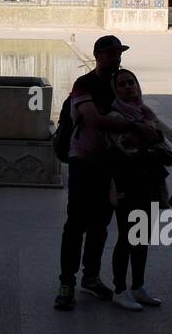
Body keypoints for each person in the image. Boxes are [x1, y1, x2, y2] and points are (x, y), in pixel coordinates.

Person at [55, 35, 150, 310]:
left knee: (100, 223)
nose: (116, 58)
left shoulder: (119, 83)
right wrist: (133, 126)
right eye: (110, 54)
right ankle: (67, 282)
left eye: (118, 53)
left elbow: (140, 110)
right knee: (76, 224)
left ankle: (91, 277)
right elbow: (94, 121)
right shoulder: (84, 84)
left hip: (111, 165)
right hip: (84, 160)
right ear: (97, 56)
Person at [103, 68, 166, 311]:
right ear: (115, 90)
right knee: (127, 236)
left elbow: (159, 138)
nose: (128, 87)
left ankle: (138, 286)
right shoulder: (114, 116)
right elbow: (123, 148)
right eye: (122, 84)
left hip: (148, 181)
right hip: (126, 183)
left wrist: (143, 133)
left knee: (142, 237)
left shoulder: (145, 112)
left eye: (131, 83)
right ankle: (120, 289)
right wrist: (144, 133)